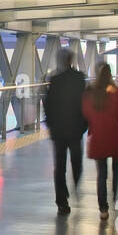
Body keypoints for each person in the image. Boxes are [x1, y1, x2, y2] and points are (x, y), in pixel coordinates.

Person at [42, 47, 87, 215]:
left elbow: (48, 105)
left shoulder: (55, 80)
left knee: (59, 167)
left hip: (59, 132)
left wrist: (51, 126)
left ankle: (61, 201)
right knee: (77, 162)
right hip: (76, 130)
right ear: (71, 60)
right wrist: (84, 125)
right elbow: (85, 103)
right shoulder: (79, 78)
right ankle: (75, 183)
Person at [83, 63, 118, 220]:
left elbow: (86, 112)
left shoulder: (91, 92)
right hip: (114, 135)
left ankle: (103, 208)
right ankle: (115, 196)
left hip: (98, 137)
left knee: (101, 173)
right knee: (116, 170)